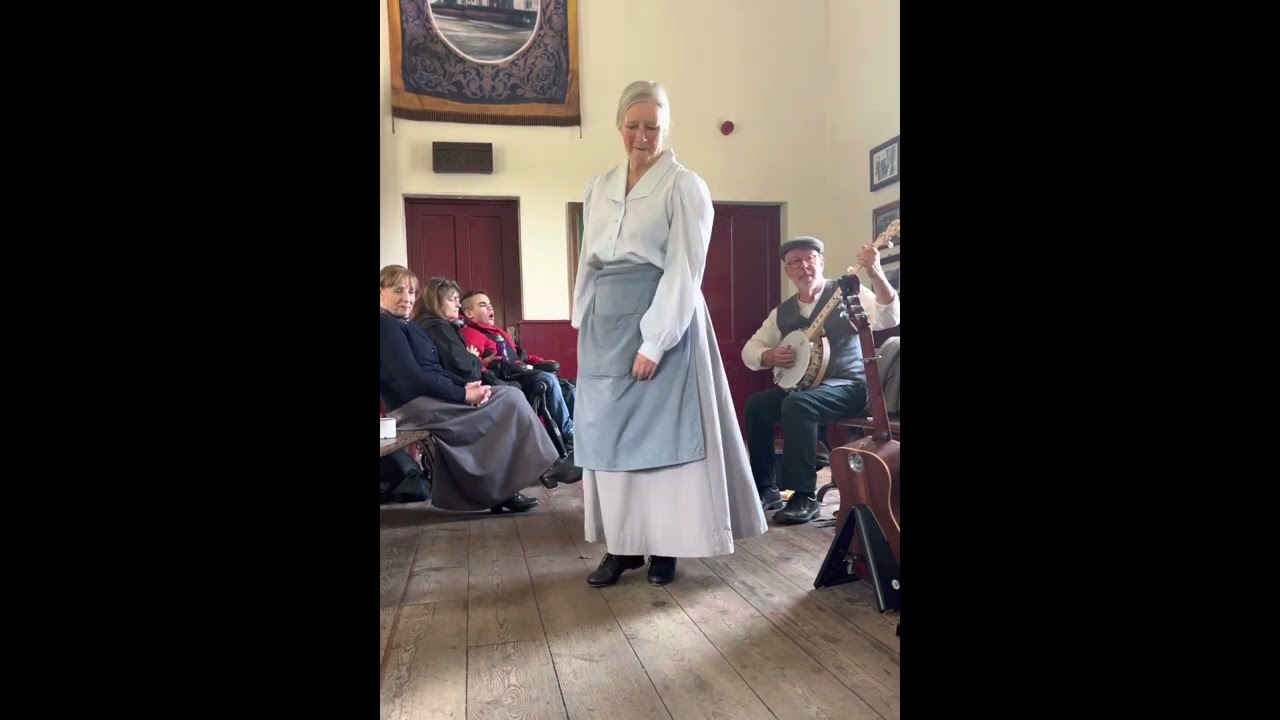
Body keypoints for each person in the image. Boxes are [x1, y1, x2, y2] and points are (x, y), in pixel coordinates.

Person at [571, 80, 767, 588]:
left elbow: (684, 268)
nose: (642, 136)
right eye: (633, 126)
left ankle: (663, 548)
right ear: (619, 127)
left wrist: (655, 341)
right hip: (603, 324)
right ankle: (622, 547)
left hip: (661, 317)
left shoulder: (685, 185)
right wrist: (581, 323)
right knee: (608, 441)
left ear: (665, 128)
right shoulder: (598, 186)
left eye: (652, 127)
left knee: (662, 443)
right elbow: (588, 262)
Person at [741, 236, 901, 524]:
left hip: (850, 386)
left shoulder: (848, 291)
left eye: (809, 259)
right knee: (757, 405)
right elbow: (749, 351)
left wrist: (876, 272)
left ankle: (804, 496)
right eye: (795, 262)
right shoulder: (782, 312)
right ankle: (766, 487)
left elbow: (890, 317)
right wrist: (769, 355)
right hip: (808, 389)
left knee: (797, 405)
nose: (803, 266)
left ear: (821, 262)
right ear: (787, 271)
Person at [379, 264, 559, 513]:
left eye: (411, 292)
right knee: (507, 401)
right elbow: (412, 378)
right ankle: (532, 474)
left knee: (509, 397)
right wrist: (463, 394)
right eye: (398, 290)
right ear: (380, 293)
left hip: (427, 398)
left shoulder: (405, 325)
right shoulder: (385, 325)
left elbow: (434, 370)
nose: (407, 298)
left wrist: (463, 384)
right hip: (413, 406)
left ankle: (507, 487)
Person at [459, 289, 576, 450]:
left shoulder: (497, 332)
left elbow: (518, 355)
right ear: (469, 314)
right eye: (483, 305)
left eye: (490, 305)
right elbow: (470, 363)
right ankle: (567, 431)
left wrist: (540, 361)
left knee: (568, 386)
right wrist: (484, 361)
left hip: (521, 371)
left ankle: (578, 430)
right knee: (547, 380)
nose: (490, 308)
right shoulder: (471, 333)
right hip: (507, 380)